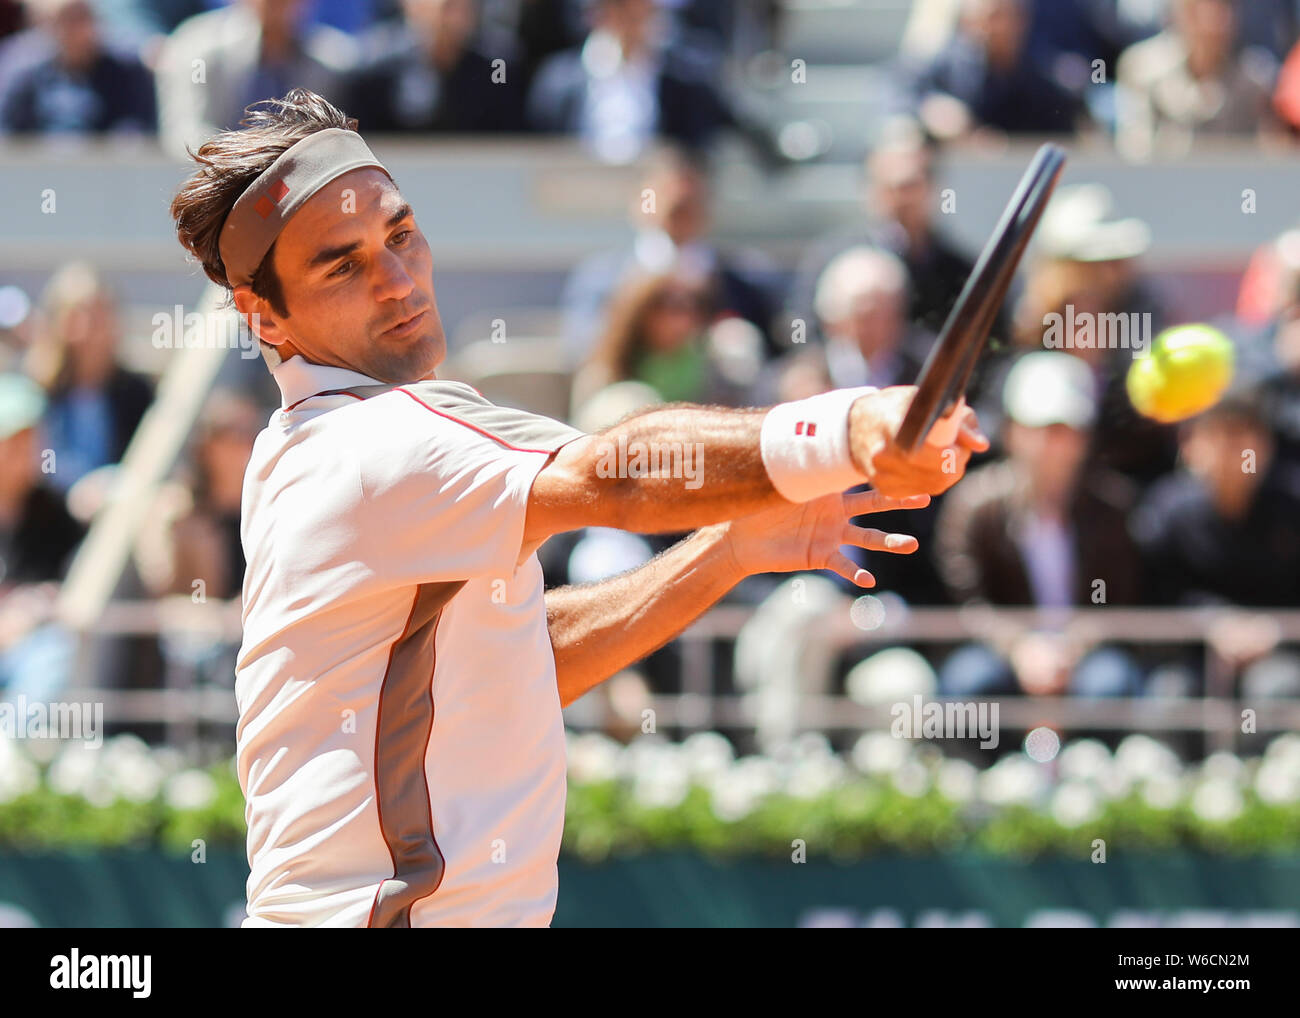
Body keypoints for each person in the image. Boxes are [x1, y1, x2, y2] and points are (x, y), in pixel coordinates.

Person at [168, 88, 986, 928]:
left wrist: (728, 550)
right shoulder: (378, 442)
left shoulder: (302, 446)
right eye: (344, 265)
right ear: (264, 316)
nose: (397, 280)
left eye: (402, 235)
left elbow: (516, 664)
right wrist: (844, 432)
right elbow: (617, 475)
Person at [934, 352, 1144, 698]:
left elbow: (1117, 599)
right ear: (1013, 431)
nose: (1053, 445)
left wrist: (1073, 647)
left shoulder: (1111, 506)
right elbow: (970, 604)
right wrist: (1020, 648)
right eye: (1042, 429)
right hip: (1000, 655)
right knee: (971, 681)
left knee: (1111, 683)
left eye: (1065, 431)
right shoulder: (973, 505)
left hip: (1084, 657)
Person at [154, 0, 356, 159]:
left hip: (300, 193)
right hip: (216, 190)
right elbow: (185, 135)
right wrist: (249, 162)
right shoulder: (196, 49)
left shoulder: (331, 60)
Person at [23, 262, 154, 494]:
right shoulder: (38, 391)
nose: (95, 326)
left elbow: (147, 458)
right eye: (83, 314)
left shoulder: (136, 392)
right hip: (53, 514)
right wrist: (76, 490)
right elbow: (40, 462)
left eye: (102, 313)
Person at [0, 373, 83, 702]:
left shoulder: (55, 513)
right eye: (14, 440)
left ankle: (15, 749)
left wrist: (35, 607)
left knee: (54, 653)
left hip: (28, 653)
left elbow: (66, 592)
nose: (26, 450)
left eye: (31, 437)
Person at [1116, 0, 1282, 160]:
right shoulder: (1143, 69)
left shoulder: (1254, 79)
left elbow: (1267, 157)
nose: (1215, 18)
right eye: (1202, 8)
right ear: (1181, 13)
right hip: (1162, 185)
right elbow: (1134, 151)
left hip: (1229, 186)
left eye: (1224, 7)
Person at [345, 0, 526, 134]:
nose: (453, 17)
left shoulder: (499, 65)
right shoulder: (375, 68)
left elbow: (509, 139)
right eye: (447, 6)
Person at [0, 0, 156, 136]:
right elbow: (10, 136)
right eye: (68, 20)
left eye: (83, 17)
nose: (78, 28)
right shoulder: (22, 74)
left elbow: (136, 130)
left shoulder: (126, 70)